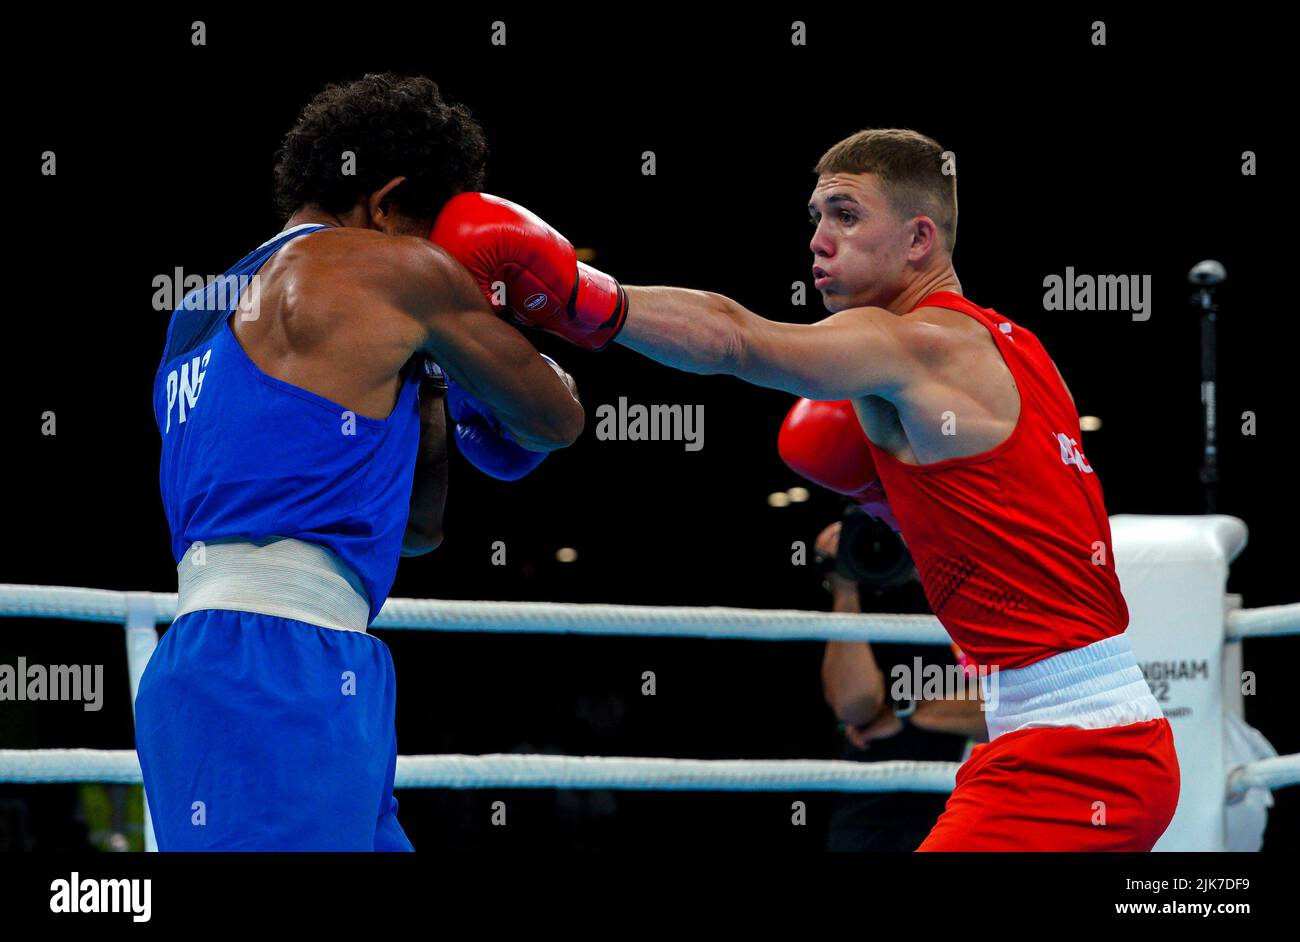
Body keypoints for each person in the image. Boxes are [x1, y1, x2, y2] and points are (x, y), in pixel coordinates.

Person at [441, 127, 1180, 850]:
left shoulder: (916, 344)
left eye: (847, 215)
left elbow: (735, 338)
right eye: (817, 217)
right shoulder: (1014, 347)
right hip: (1072, 732)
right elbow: (1011, 529)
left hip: (1079, 753)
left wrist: (576, 294)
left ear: (920, 239)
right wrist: (886, 499)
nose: (819, 239)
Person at [137, 74, 591, 850]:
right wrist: (489, 308)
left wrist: (433, 384)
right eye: (431, 234)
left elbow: (411, 529)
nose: (437, 259)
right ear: (386, 202)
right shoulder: (386, 272)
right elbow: (555, 419)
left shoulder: (195, 313)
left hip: (224, 661)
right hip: (282, 672)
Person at [812, 513, 983, 852]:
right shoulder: (861, 595)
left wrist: (904, 713)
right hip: (878, 811)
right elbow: (854, 707)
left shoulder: (983, 590)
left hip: (972, 801)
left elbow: (1010, 703)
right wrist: (845, 585)